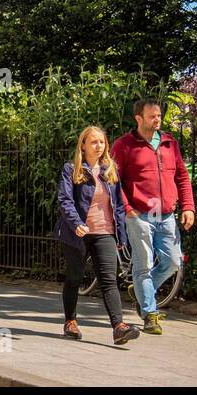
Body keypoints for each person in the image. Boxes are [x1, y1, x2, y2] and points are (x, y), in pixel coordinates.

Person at [113, 99, 196, 335]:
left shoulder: (170, 143)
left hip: (166, 214)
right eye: (152, 116)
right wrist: (127, 207)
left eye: (159, 115)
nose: (157, 119)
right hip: (139, 214)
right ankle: (149, 314)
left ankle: (141, 292)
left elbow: (182, 176)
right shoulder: (124, 145)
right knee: (144, 265)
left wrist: (188, 206)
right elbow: (113, 180)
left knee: (173, 261)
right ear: (138, 118)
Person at [55, 126, 141, 345]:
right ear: (83, 145)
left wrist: (120, 236)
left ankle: (119, 327)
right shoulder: (72, 169)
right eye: (93, 142)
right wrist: (76, 223)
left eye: (102, 142)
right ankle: (70, 321)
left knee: (109, 280)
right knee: (74, 278)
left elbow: (118, 205)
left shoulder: (109, 170)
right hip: (78, 233)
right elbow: (65, 200)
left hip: (105, 232)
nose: (98, 146)